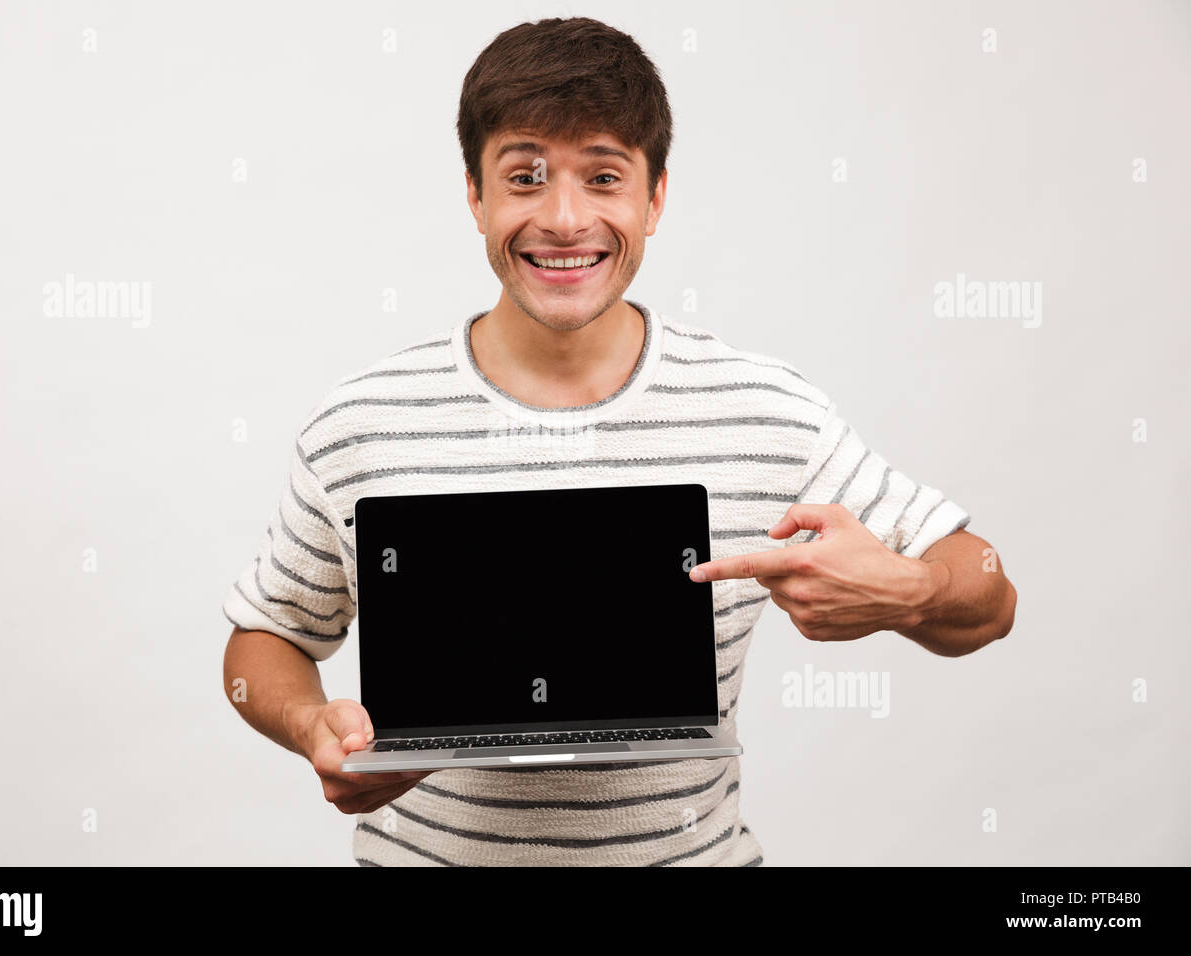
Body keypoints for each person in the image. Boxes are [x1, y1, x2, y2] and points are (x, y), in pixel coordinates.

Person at [221, 16, 1017, 866]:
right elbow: (266, 636)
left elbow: (991, 596)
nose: (565, 220)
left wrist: (914, 590)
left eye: (604, 176)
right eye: (524, 176)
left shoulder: (765, 410)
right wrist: (312, 725)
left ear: (655, 197)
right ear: (475, 196)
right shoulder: (360, 421)